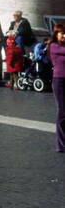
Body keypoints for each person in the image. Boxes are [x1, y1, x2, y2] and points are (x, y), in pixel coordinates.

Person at [47, 23, 65, 152]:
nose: (64, 35)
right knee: (62, 112)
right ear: (56, 34)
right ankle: (61, 144)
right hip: (59, 81)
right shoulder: (53, 46)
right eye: (62, 33)